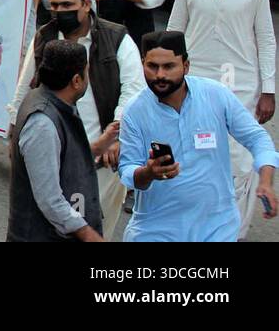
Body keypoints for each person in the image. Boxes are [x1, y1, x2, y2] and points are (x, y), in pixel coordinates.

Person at [167, 0, 276, 239]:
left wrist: (268, 90)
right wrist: (166, 79)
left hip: (241, 86)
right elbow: (174, 32)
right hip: (195, 85)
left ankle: (234, 233)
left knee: (239, 159)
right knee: (196, 155)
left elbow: (266, 40)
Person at [10, 0, 142, 231]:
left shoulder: (116, 38)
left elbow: (134, 90)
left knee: (96, 225)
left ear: (86, 4)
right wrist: (15, 127)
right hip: (54, 148)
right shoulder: (46, 36)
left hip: (103, 157)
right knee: (51, 224)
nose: (60, 12)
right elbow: (25, 85)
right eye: (56, 6)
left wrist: (116, 133)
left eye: (67, 6)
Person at [118, 30, 279, 242]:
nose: (160, 75)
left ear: (186, 65)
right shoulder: (134, 111)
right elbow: (127, 169)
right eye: (152, 66)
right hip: (156, 229)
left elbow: (257, 138)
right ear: (143, 64)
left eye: (169, 66)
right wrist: (149, 172)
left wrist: (266, 182)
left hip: (217, 226)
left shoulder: (215, 95)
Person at [7, 39, 105, 241]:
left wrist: (100, 145)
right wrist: (88, 234)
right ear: (76, 80)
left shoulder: (52, 102)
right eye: (87, 72)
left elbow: (62, 156)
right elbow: (50, 199)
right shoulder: (42, 123)